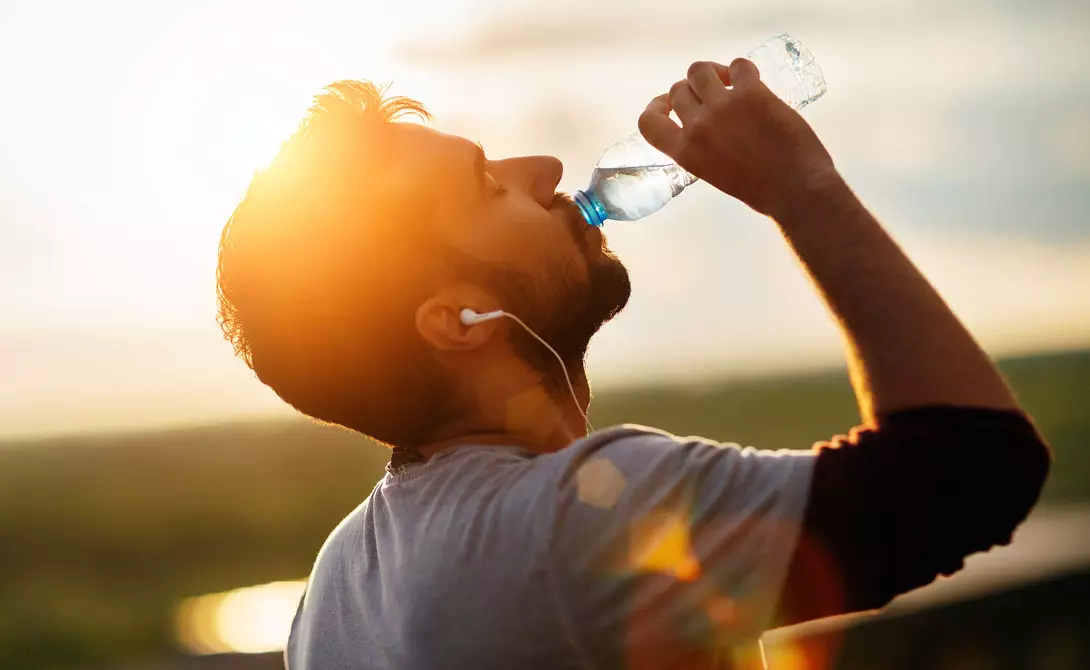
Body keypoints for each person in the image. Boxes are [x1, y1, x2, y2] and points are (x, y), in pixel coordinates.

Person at [215, 59, 1051, 670]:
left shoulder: (333, 591)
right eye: (485, 186)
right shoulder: (569, 522)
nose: (541, 170)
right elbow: (971, 468)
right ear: (456, 322)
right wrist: (802, 185)